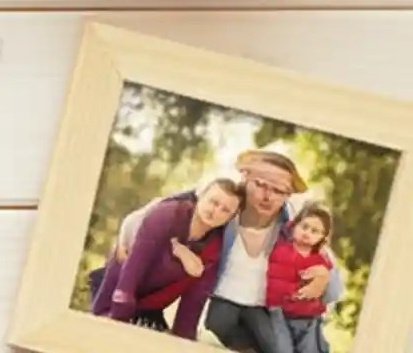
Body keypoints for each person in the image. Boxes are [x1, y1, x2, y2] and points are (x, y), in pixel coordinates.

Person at [114, 149, 344, 353]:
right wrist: (124, 243)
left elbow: (333, 289)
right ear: (245, 179)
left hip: (272, 315)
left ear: (288, 195)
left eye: (278, 190)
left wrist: (323, 277)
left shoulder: (294, 226)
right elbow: (151, 216)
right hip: (221, 316)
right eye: (261, 184)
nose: (267, 195)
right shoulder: (222, 208)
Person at [90, 178, 245, 339]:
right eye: (213, 202)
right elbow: (135, 265)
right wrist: (120, 312)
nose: (216, 211)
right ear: (200, 196)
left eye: (225, 210)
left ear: (230, 218)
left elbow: (194, 301)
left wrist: (184, 341)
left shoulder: (214, 247)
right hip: (118, 286)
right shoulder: (168, 214)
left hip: (149, 308)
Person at [265, 202, 334, 353]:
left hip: (307, 318)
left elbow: (324, 291)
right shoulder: (279, 249)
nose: (307, 233)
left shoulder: (321, 262)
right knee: (282, 349)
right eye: (304, 227)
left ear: (322, 237)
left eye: (315, 231)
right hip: (279, 312)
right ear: (294, 225)